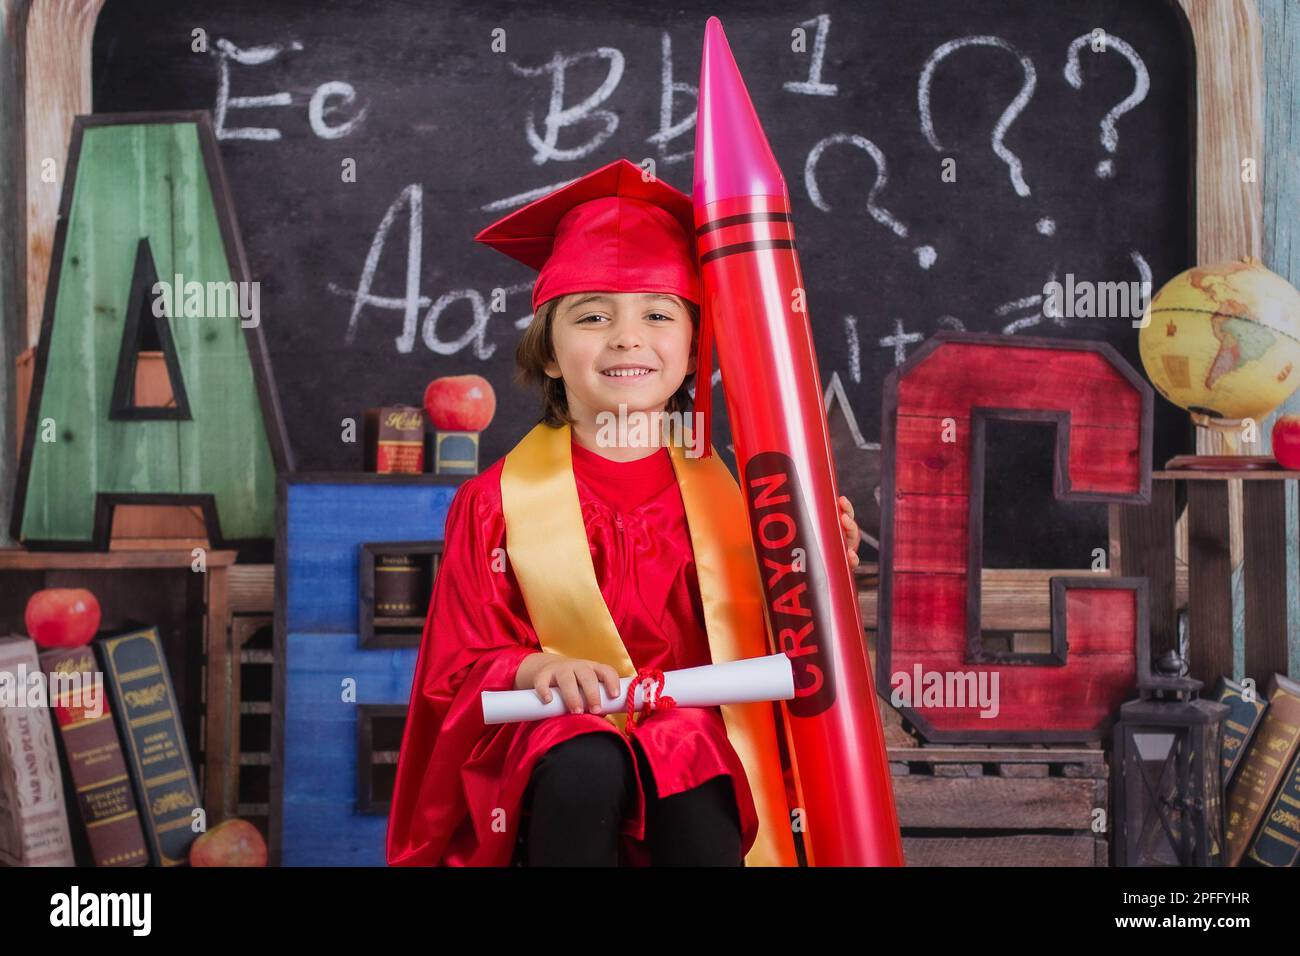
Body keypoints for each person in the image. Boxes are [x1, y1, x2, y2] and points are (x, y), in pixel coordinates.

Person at [385, 158, 861, 867]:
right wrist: (531, 669)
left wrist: (817, 574)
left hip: (704, 746)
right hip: (555, 748)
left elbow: (781, 651)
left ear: (695, 345)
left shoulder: (746, 502)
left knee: (691, 762)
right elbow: (457, 667)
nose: (627, 337)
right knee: (586, 757)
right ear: (548, 352)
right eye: (592, 315)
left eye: (658, 314)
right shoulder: (493, 504)